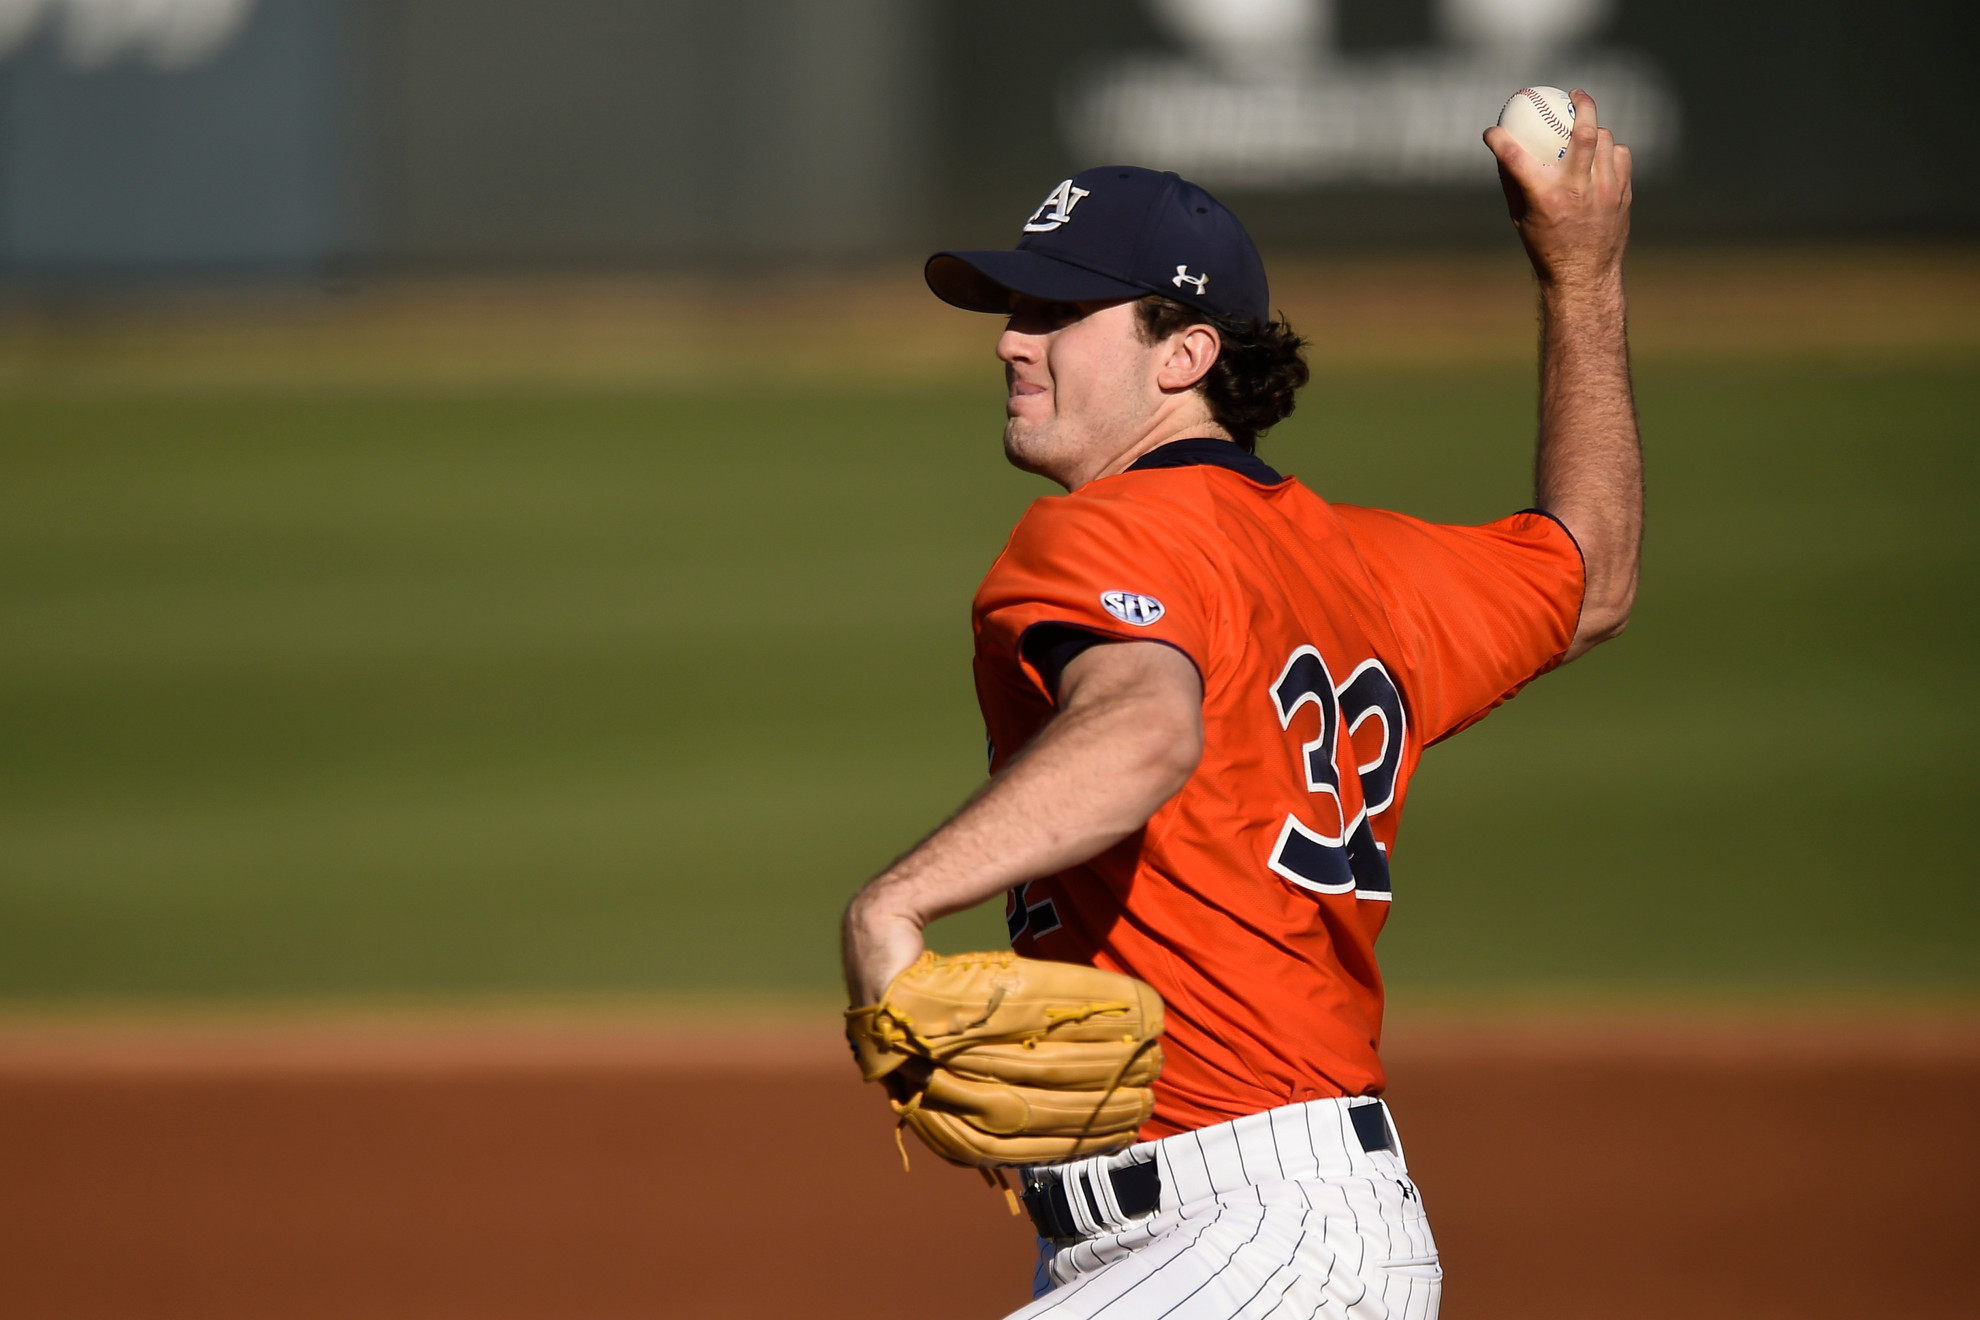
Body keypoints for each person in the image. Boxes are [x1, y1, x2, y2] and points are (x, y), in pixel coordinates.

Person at [842, 91, 1639, 1320]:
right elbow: (1588, 573)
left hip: (1241, 1242)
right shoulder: (1367, 563)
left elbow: (1147, 724)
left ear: (1186, 353)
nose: (1011, 338)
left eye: (1058, 309)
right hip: (1296, 1234)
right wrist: (1580, 276)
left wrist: (895, 903)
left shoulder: (1099, 532)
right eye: (1014, 307)